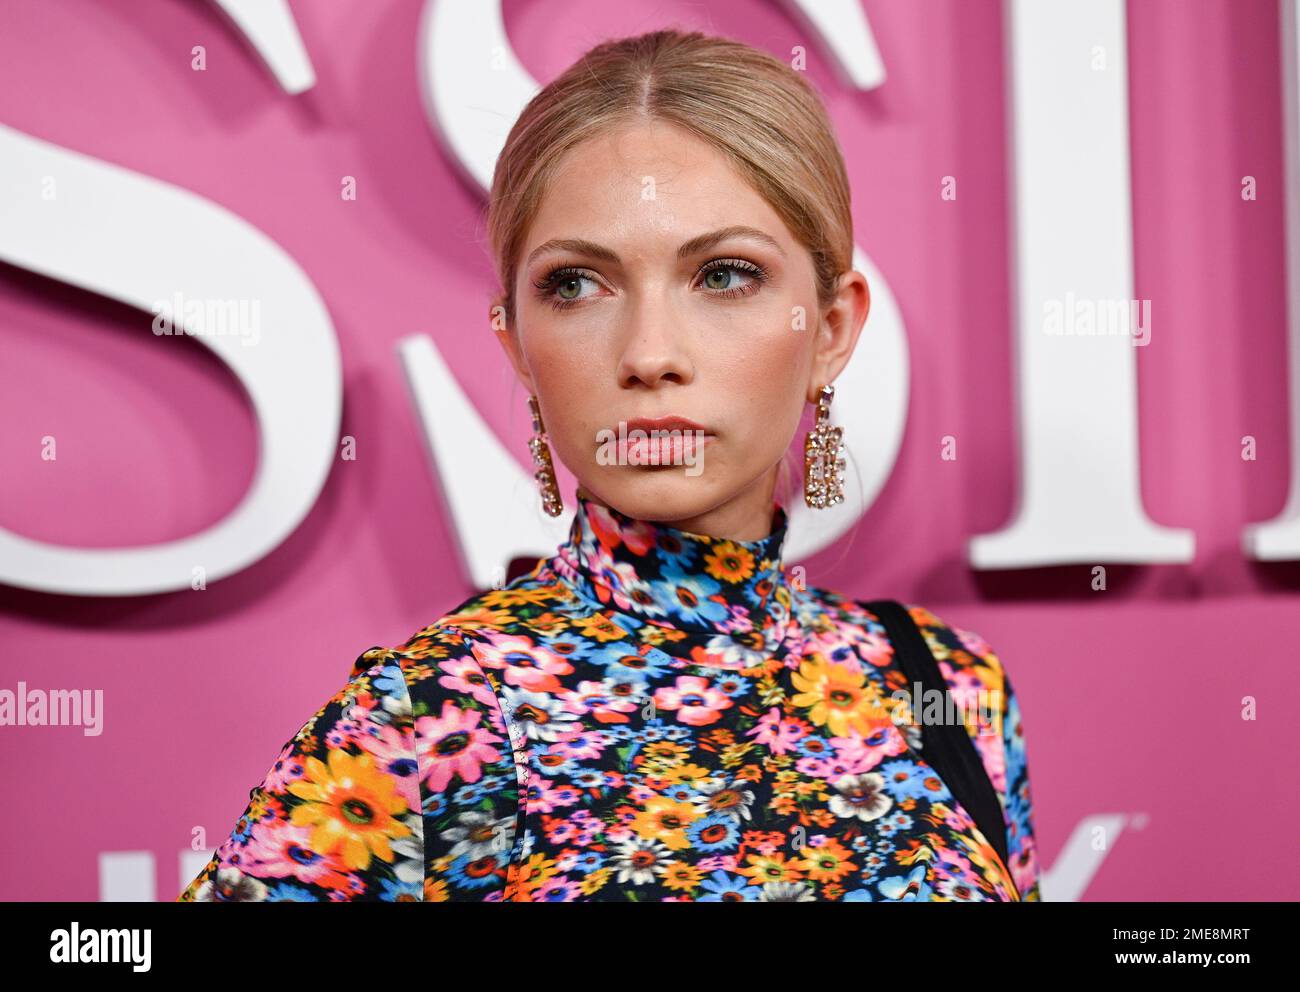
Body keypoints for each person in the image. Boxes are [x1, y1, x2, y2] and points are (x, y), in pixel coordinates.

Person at [179, 27, 1041, 903]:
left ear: (829, 330)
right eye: (577, 285)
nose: (649, 353)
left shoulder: (947, 683)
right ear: (517, 342)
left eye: (725, 274)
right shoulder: (437, 716)